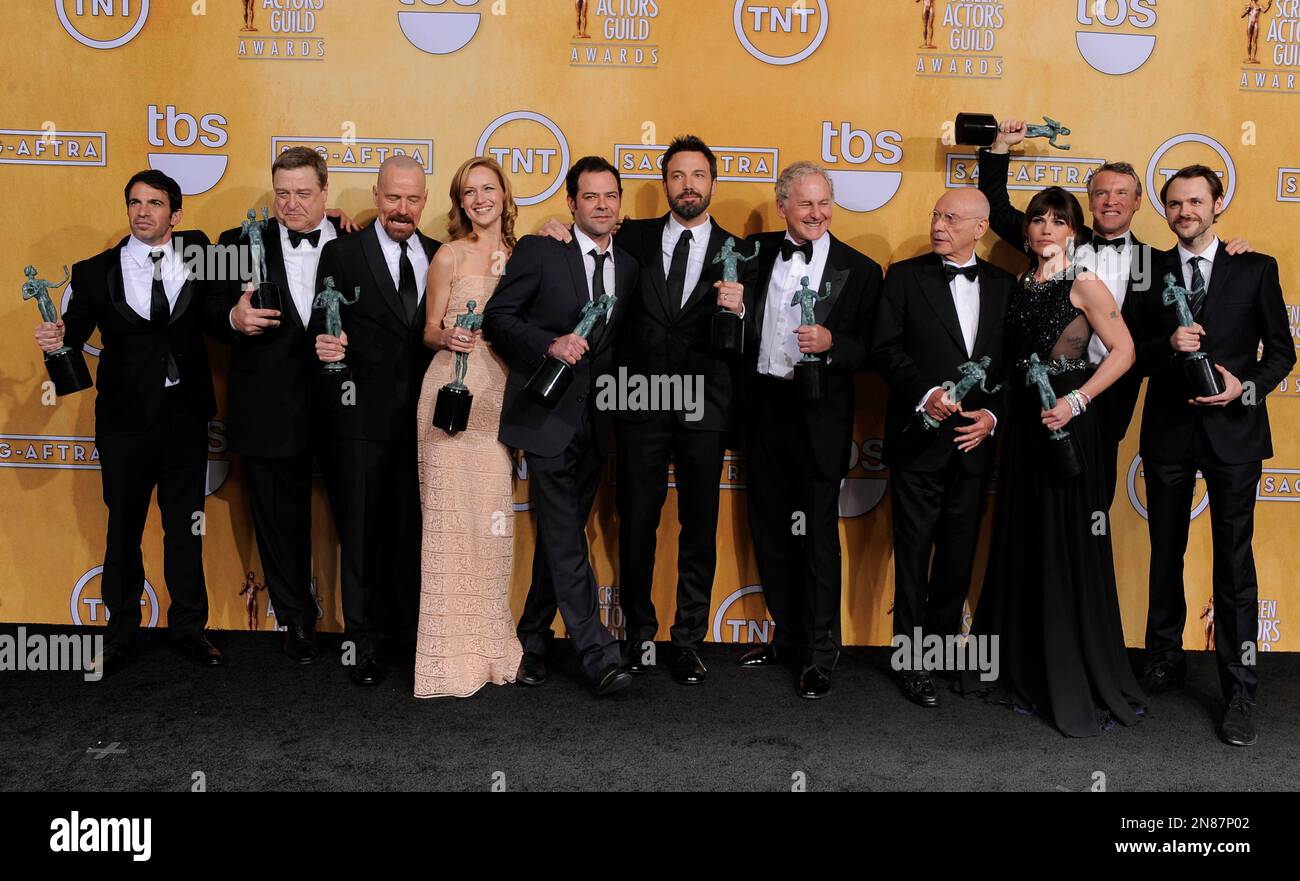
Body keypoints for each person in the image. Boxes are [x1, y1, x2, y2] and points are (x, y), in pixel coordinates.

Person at [538, 135, 745, 685]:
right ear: (664, 184)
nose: (688, 186)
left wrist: (740, 311)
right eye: (677, 176)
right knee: (637, 524)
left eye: (698, 175)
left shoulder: (743, 250)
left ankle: (687, 640)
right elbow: (581, 240)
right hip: (638, 403)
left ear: (713, 184)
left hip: (704, 406)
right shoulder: (631, 237)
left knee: (699, 524)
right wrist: (549, 230)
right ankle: (639, 635)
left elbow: (760, 336)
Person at [979, 121, 1253, 509]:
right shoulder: (1055, 239)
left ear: (1138, 202)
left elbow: (1204, 271)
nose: (1111, 201)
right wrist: (1000, 147)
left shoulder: (1156, 263)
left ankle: (1084, 567)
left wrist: (1230, 253)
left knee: (1092, 500)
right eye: (1101, 193)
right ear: (1089, 201)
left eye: (1122, 193)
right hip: (1043, 393)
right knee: (1033, 496)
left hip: (1110, 396)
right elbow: (996, 206)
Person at [960, 185, 1145, 736]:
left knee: (1066, 547)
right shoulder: (1019, 283)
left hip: (1066, 424)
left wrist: (1078, 399)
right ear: (1027, 230)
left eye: (1057, 221)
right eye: (1038, 219)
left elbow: (1127, 350)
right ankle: (1021, 664)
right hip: (1023, 429)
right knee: (1024, 540)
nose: (1045, 228)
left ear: (1074, 231)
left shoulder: (1084, 283)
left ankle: (1069, 672)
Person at [34, 170, 223, 674]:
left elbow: (253, 250)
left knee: (186, 528)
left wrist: (336, 220)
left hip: (184, 418)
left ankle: (189, 628)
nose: (143, 212)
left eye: (155, 203)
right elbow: (73, 332)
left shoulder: (202, 252)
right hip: (124, 422)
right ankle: (120, 634)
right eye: (135, 202)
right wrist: (57, 340)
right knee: (124, 529)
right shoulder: (93, 271)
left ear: (175, 215)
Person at [1136, 165, 1294, 747]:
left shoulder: (1255, 267)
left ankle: (1240, 689)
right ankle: (1162, 660)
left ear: (1218, 203)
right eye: (1175, 204)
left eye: (1196, 202)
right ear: (1166, 210)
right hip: (1170, 432)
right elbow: (1131, 350)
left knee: (1234, 563)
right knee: (1165, 550)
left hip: (1234, 432)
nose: (1185, 212)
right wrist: (1164, 344)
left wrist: (1241, 388)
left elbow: (1282, 351)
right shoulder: (1146, 270)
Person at [483, 156, 639, 698]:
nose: (602, 205)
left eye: (611, 196)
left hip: (597, 426)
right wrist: (548, 344)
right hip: (546, 418)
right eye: (591, 197)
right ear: (571, 203)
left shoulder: (632, 263)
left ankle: (530, 642)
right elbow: (498, 318)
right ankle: (598, 654)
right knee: (568, 537)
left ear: (620, 204)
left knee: (558, 538)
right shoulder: (541, 249)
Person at [736, 161, 882, 699]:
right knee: (771, 530)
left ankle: (822, 651)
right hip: (764, 408)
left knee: (817, 535)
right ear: (783, 208)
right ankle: (788, 637)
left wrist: (833, 345)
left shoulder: (862, 270)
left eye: (824, 203)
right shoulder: (751, 254)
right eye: (805, 205)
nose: (817, 214)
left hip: (819, 414)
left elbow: (874, 348)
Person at [872, 188, 1015, 708]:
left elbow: (1014, 365)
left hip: (976, 443)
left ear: (980, 228)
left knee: (956, 558)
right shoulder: (905, 278)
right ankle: (909, 660)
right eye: (935, 214)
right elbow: (883, 348)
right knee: (912, 558)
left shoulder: (1004, 285)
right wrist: (926, 393)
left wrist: (994, 417)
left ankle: (936, 653)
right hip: (919, 443)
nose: (938, 224)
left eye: (951, 218)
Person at [211, 147, 350, 664]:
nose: (291, 204)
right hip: (269, 405)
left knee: (357, 515)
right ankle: (296, 619)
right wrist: (232, 318)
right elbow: (198, 308)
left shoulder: (355, 243)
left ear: (324, 192)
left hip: (345, 405)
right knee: (278, 516)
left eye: (303, 193)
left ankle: (366, 624)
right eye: (283, 193)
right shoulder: (236, 244)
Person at [312, 155, 440, 686]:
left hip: (429, 423)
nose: (402, 209)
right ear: (376, 194)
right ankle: (361, 644)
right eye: (392, 198)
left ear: (425, 201)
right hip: (360, 418)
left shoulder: (441, 254)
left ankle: (409, 639)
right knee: (361, 536)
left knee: (414, 533)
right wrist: (325, 346)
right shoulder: (341, 252)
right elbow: (326, 325)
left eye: (412, 199)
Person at [413, 156, 524, 698]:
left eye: (488, 188)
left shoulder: (527, 256)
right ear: (459, 203)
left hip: (501, 402)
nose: (479, 198)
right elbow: (429, 329)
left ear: (504, 193)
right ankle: (449, 659)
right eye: (468, 192)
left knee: (493, 532)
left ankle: (492, 652)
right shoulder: (448, 255)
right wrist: (449, 337)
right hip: (448, 399)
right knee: (447, 531)